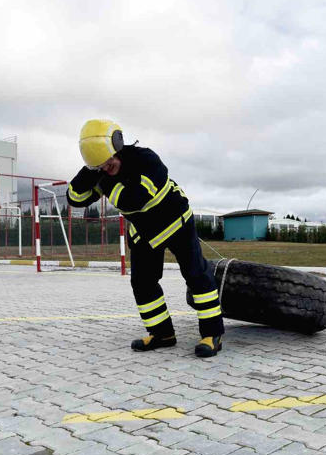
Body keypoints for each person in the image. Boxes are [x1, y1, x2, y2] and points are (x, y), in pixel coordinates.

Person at [66, 119, 224, 358]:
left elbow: (134, 198)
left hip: (175, 222)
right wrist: (89, 172)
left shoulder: (147, 160)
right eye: (101, 166)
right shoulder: (101, 171)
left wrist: (104, 184)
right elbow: (74, 198)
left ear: (118, 147)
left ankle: (212, 334)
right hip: (144, 233)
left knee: (196, 275)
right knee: (142, 283)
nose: (107, 169)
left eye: (110, 163)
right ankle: (162, 334)